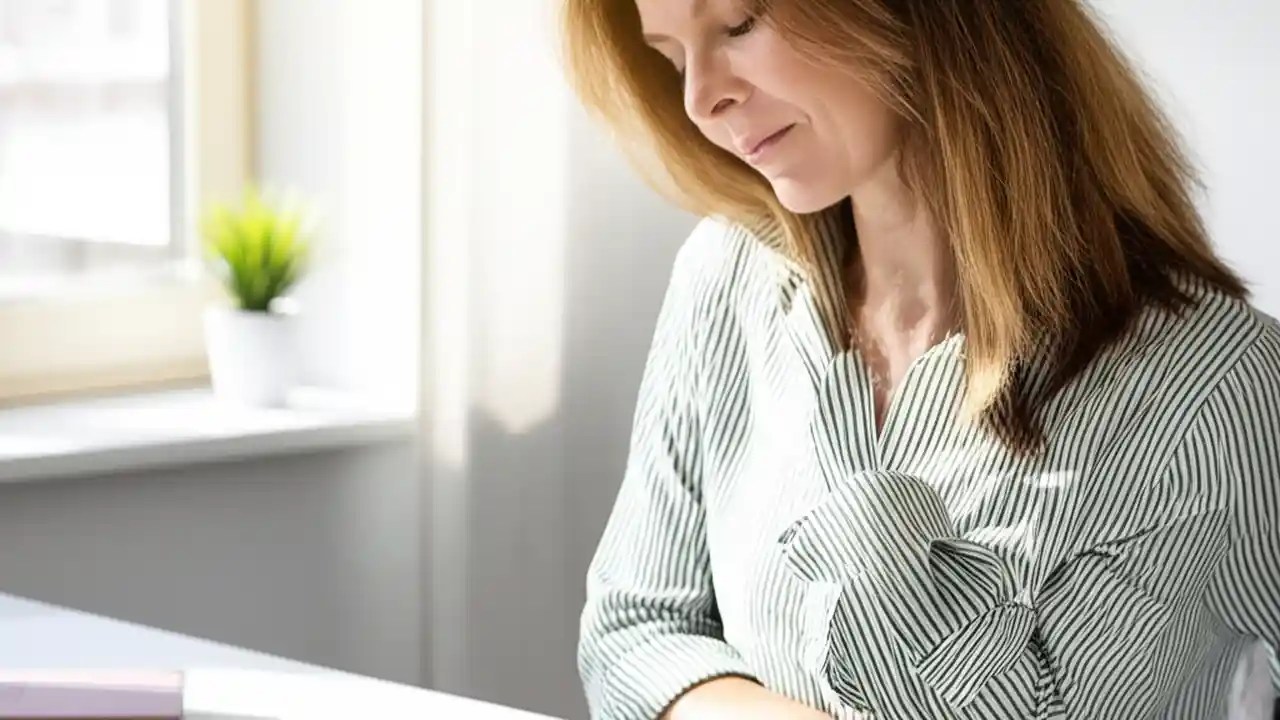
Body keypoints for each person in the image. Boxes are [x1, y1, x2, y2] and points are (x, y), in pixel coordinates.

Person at [560, 0, 1280, 718]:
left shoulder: (1222, 384)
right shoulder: (729, 277)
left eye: (740, 25)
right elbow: (633, 633)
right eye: (673, 56)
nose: (700, 99)